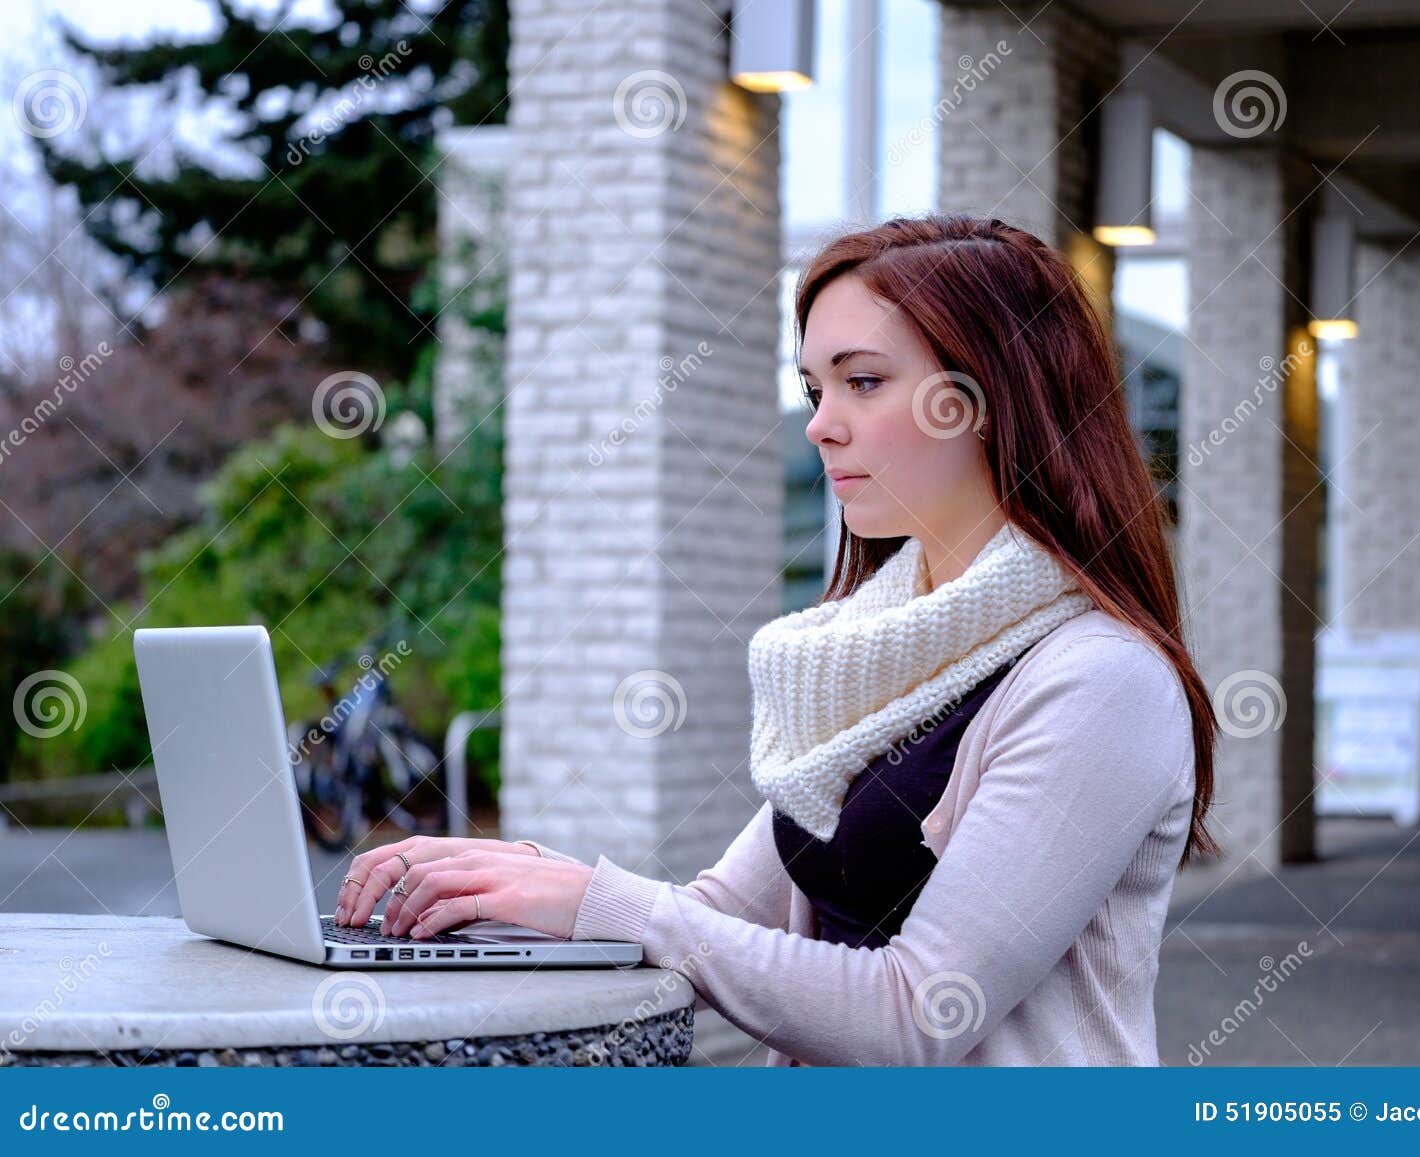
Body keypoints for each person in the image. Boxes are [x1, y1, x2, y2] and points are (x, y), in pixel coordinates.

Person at [334, 213, 1220, 1066]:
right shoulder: (877, 655)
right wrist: (518, 881)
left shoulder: (1102, 682)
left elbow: (919, 1012)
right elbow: (721, 914)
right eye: (815, 388)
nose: (820, 423)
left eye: (862, 381)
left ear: (987, 400)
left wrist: (610, 904)